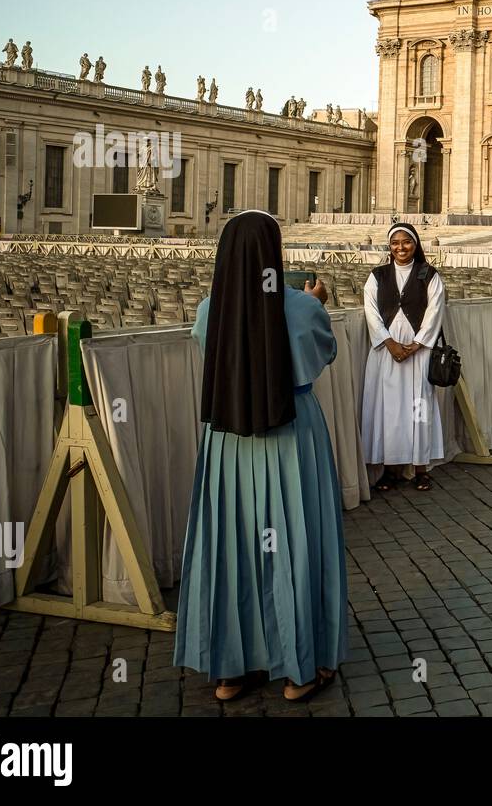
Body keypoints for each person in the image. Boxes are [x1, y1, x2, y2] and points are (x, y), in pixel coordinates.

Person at [175, 211, 347, 703]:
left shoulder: (210, 307)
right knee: (295, 542)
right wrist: (316, 305)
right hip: (289, 434)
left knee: (232, 545)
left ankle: (231, 669)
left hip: (228, 439)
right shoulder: (300, 306)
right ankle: (299, 670)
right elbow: (322, 355)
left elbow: (211, 349)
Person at [362, 222, 446, 491]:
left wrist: (416, 344)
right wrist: (389, 342)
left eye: (406, 242)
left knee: (418, 408)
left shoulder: (429, 274)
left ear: (415, 244)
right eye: (395, 243)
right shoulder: (377, 275)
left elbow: (435, 310)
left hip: (417, 351)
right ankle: (391, 468)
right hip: (386, 351)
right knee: (389, 409)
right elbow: (371, 311)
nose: (401, 247)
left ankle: (421, 467)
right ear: (390, 246)